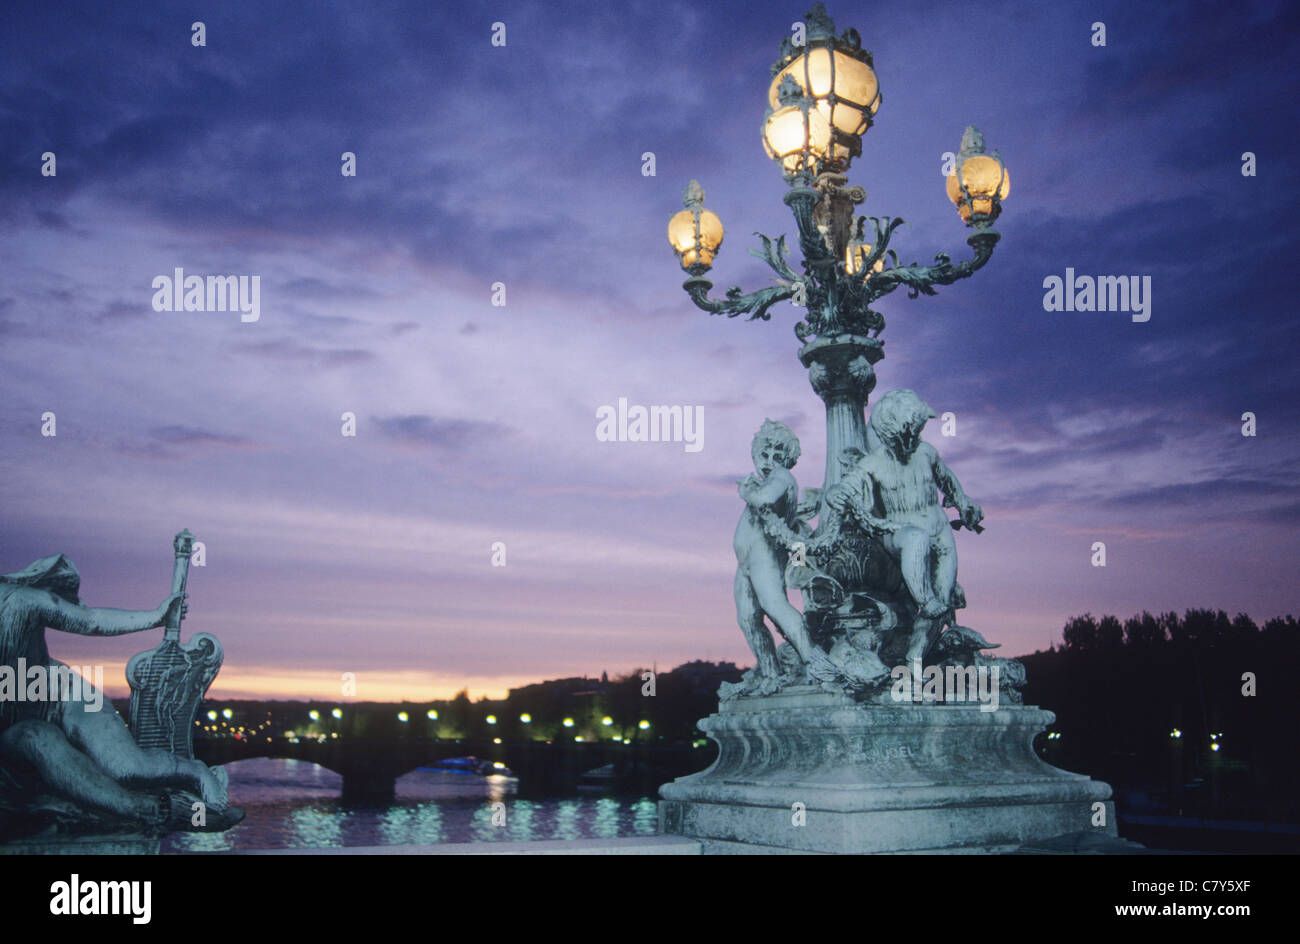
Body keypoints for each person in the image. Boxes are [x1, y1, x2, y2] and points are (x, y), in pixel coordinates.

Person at [0, 554, 241, 832]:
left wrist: (157, 617)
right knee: (38, 738)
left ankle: (194, 771)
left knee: (127, 767)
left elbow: (90, 620)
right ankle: (152, 810)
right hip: (19, 724)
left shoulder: (19, 601)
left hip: (64, 696)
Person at [826, 390, 984, 670]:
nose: (916, 438)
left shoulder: (926, 453)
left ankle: (915, 659)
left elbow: (947, 481)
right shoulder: (875, 462)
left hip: (940, 531)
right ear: (892, 434)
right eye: (911, 432)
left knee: (942, 605)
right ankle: (925, 599)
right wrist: (835, 494)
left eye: (918, 431)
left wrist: (964, 503)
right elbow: (846, 485)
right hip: (900, 532)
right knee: (917, 540)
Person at [733, 420, 816, 693]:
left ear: (787, 460)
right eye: (764, 455)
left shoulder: (782, 478)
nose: (769, 462)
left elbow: (765, 499)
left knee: (775, 606)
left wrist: (747, 493)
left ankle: (814, 663)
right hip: (745, 561)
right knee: (747, 618)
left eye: (777, 457)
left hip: (766, 555)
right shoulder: (768, 478)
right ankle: (771, 673)